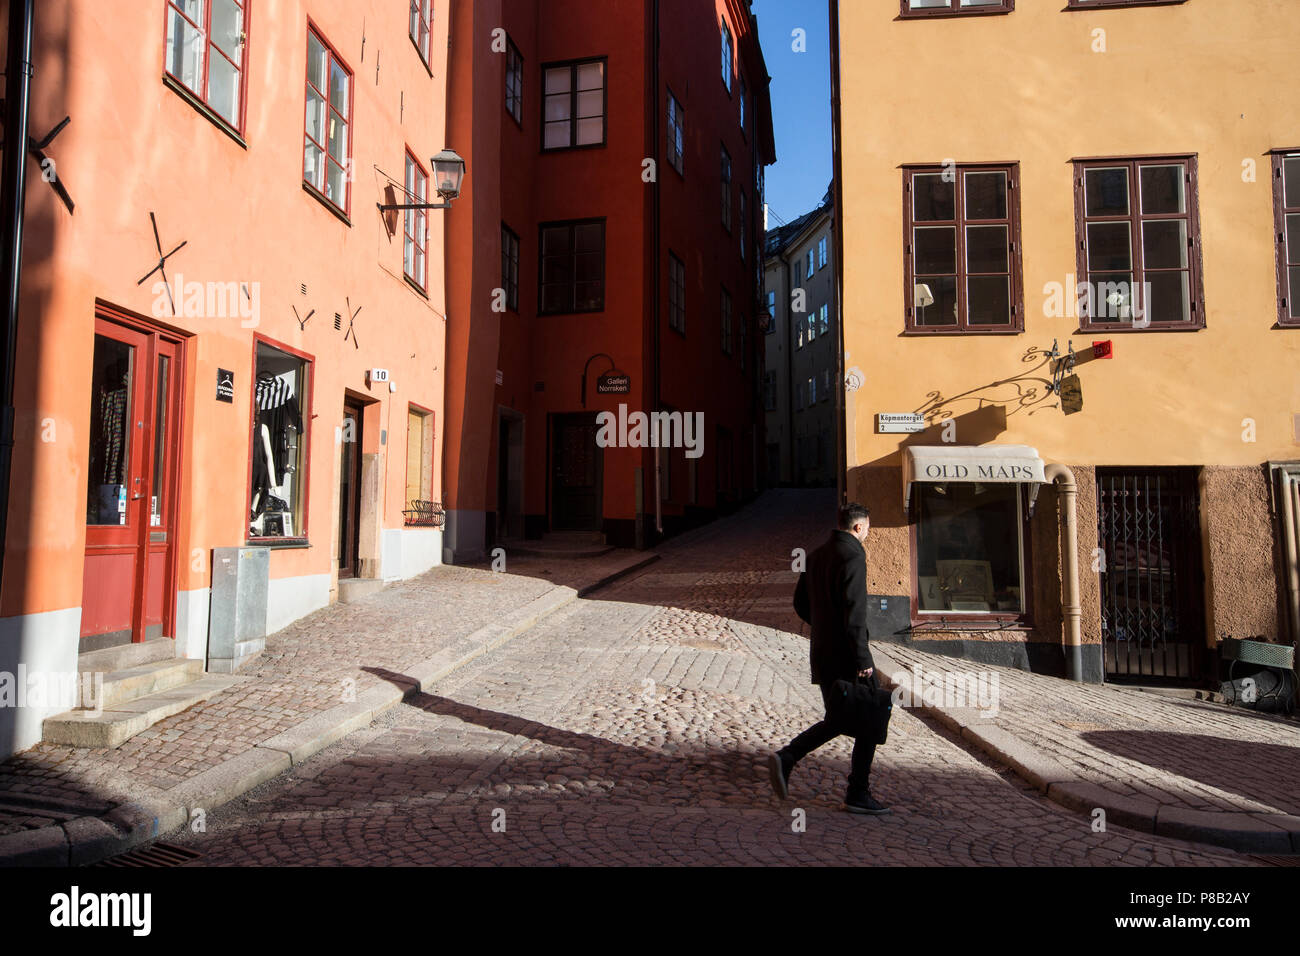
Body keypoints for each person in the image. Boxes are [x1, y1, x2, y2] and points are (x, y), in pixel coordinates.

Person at [768, 502, 889, 815]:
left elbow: (800, 604)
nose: (868, 533)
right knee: (868, 716)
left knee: (842, 717)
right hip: (849, 655)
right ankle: (855, 792)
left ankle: (791, 759)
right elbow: (855, 614)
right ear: (859, 527)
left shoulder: (816, 556)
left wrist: (824, 626)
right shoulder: (853, 555)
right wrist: (863, 660)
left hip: (823, 652)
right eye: (868, 528)